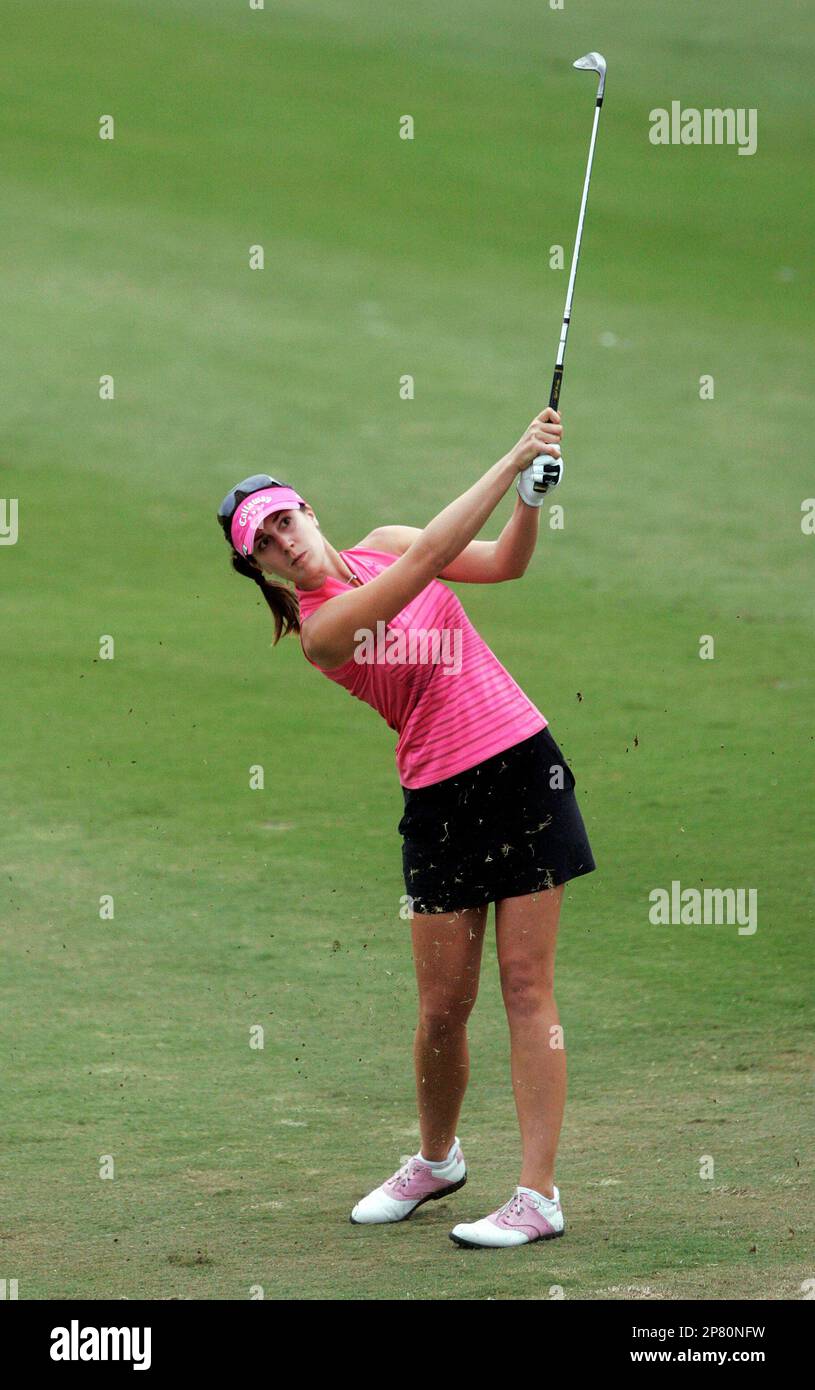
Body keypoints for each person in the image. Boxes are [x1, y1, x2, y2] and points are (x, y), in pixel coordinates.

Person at [216, 407, 596, 1249]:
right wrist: (512, 456)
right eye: (266, 542)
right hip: (438, 800)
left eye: (286, 519)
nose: (284, 540)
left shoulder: (382, 537)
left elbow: (502, 563)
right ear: (259, 565)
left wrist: (530, 498)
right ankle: (436, 1161)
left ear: (308, 510)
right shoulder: (322, 632)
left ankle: (537, 1196)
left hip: (521, 766)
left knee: (526, 988)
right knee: (440, 1010)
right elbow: (429, 561)